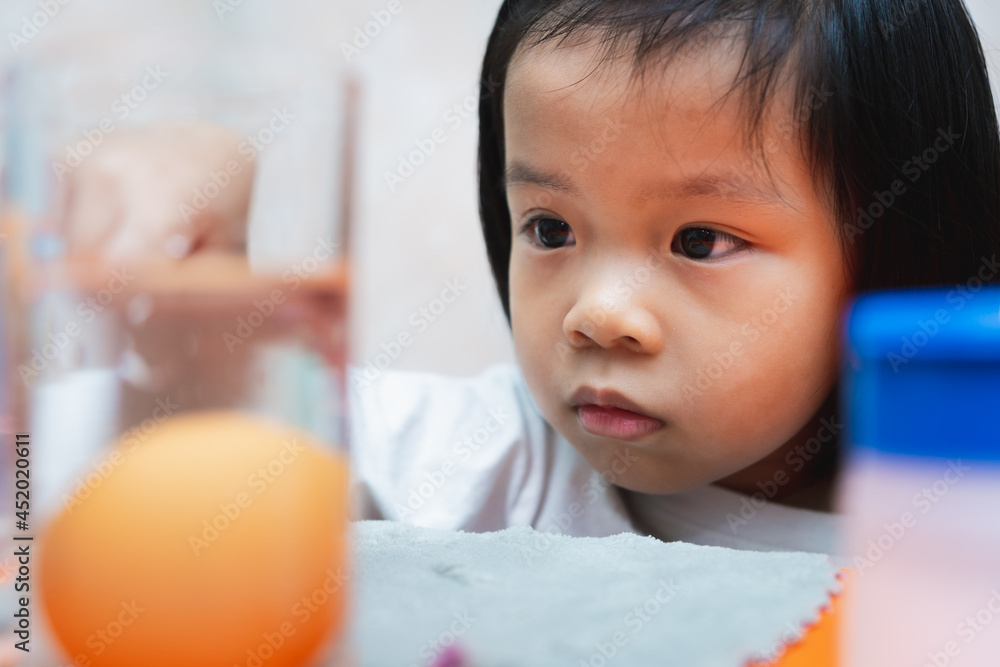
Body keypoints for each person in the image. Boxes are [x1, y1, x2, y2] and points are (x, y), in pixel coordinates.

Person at [53, 0, 1000, 562]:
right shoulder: (489, 463)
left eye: (701, 240)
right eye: (550, 228)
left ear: (894, 248)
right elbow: (200, 450)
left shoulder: (959, 529)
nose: (600, 314)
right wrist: (192, 207)